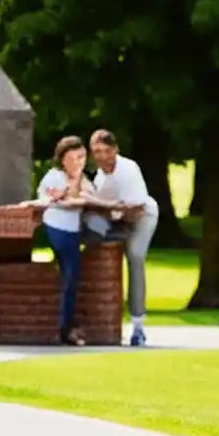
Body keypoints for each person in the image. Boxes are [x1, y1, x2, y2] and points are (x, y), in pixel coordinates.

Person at [85, 129, 159, 346]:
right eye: (97, 151)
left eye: (106, 151)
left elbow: (135, 209)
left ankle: (138, 325)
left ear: (115, 149)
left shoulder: (128, 169)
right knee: (90, 221)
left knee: (135, 256)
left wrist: (109, 208)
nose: (102, 156)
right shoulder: (99, 176)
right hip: (117, 220)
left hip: (142, 218)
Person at [32, 135, 96, 346]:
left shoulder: (82, 179)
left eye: (81, 157)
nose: (78, 162)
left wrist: (74, 192)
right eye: (73, 158)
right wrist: (70, 196)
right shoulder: (54, 176)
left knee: (72, 278)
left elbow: (88, 197)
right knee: (70, 276)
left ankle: (67, 325)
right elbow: (51, 199)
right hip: (57, 228)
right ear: (62, 159)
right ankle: (66, 328)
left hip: (73, 231)